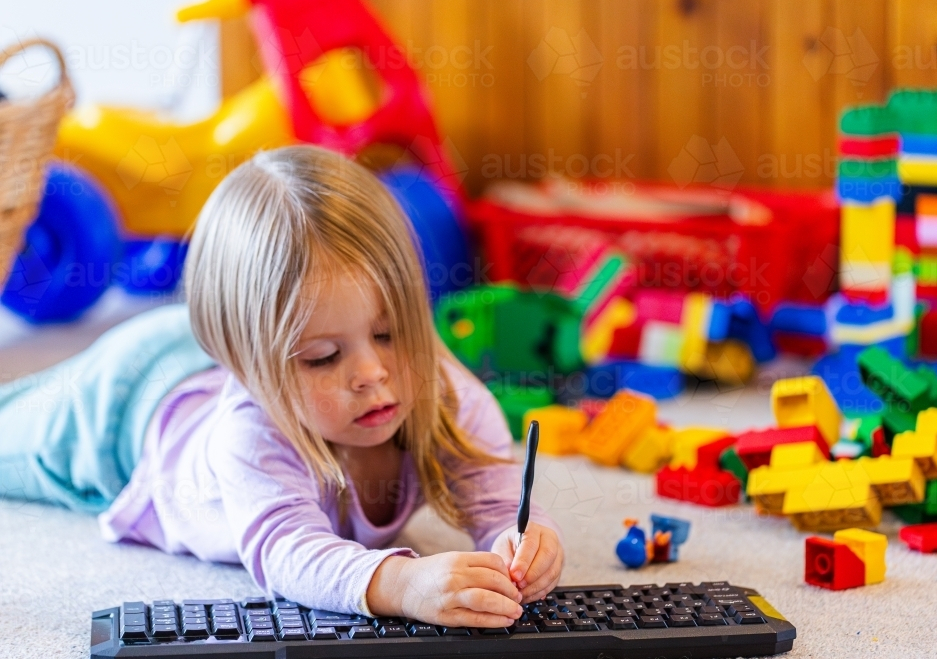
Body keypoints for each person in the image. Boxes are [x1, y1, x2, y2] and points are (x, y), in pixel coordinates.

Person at [0, 145, 563, 628]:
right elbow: (288, 551)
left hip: (212, 352)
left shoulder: (446, 393)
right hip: (122, 409)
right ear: (249, 372)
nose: (372, 372)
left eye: (390, 333)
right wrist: (402, 583)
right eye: (323, 357)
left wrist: (523, 541)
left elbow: (498, 501)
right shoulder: (251, 434)